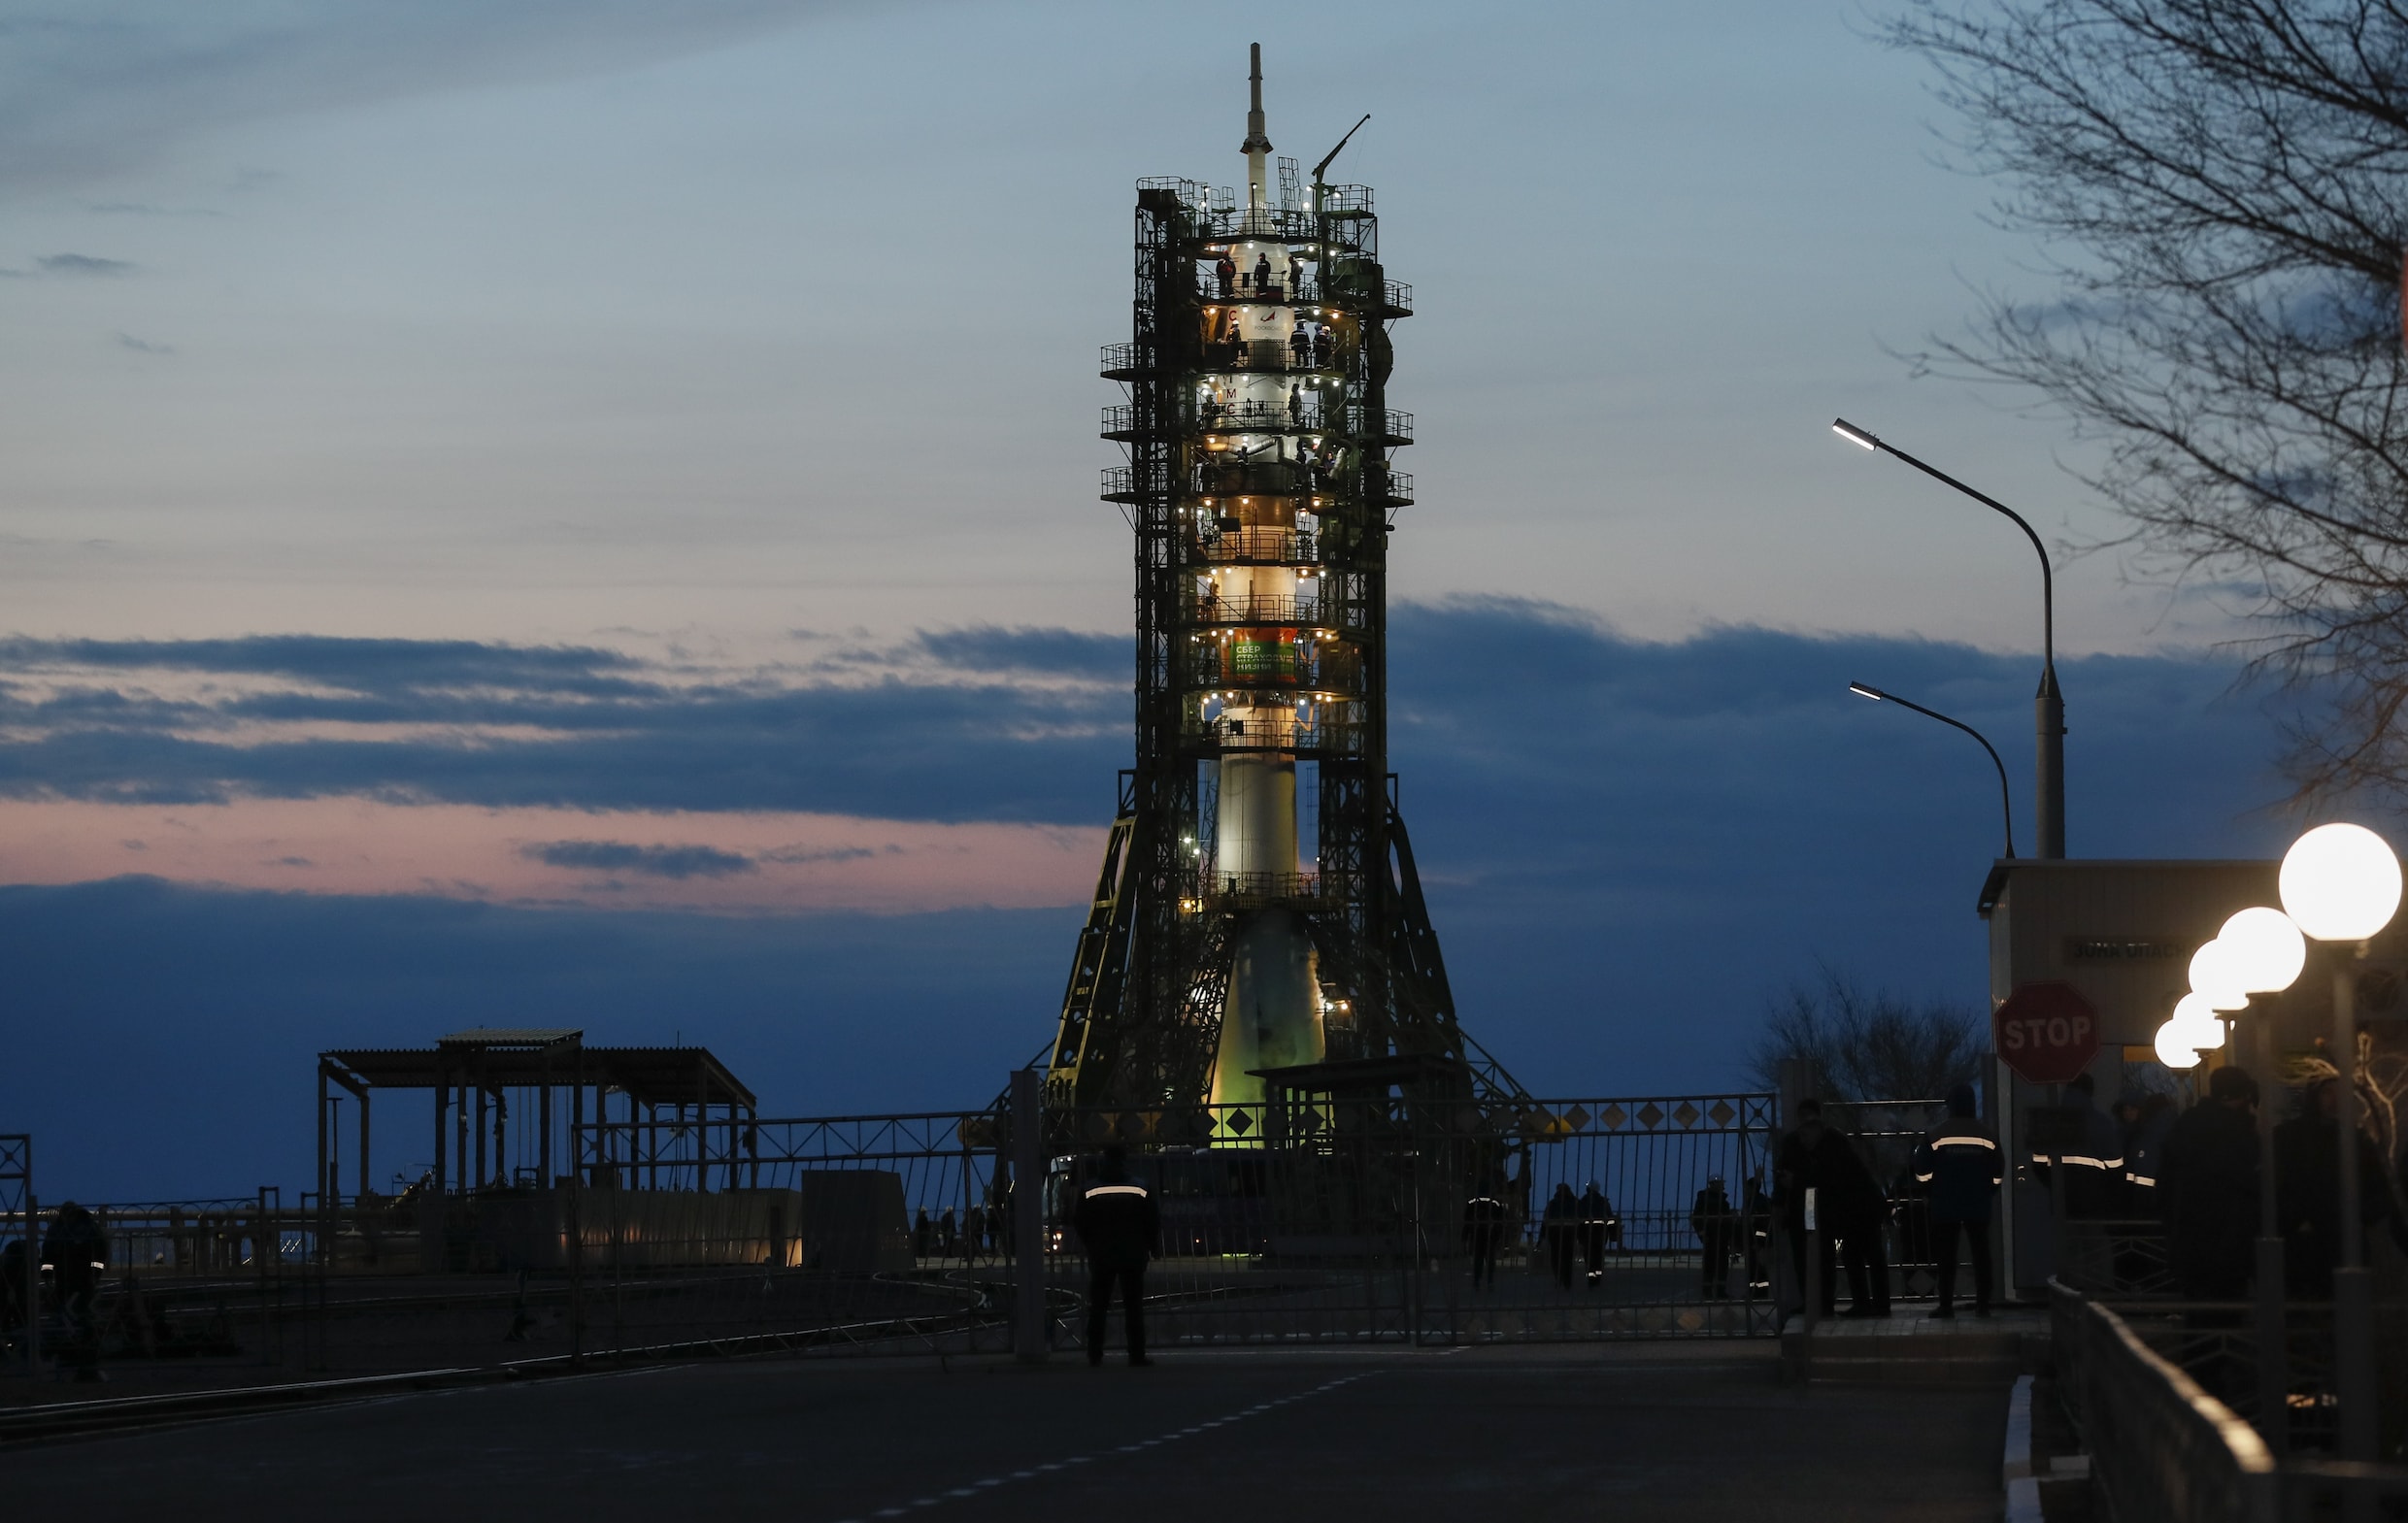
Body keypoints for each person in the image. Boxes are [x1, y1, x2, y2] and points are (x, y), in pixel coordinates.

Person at [2273, 1076, 2391, 1299]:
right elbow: (2277, 1185)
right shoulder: (2288, 1137)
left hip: (2344, 1240)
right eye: (2327, 1092)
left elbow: (2378, 1187)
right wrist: (2295, 1219)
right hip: (2305, 1243)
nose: (2334, 1099)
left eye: (2340, 1092)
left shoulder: (2359, 1138)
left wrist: (2360, 1218)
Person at [2158, 1065, 2260, 1302]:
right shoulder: (2238, 1132)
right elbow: (2249, 1185)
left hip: (2190, 1242)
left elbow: (2165, 1186)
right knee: (2226, 1315)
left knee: (2200, 1317)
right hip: (2232, 1245)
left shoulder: (2186, 1126)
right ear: (2242, 1095)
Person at [1776, 1100, 1888, 1316]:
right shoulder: (1822, 1144)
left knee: (1864, 1256)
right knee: (1857, 1255)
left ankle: (1871, 1305)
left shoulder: (1830, 1144)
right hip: (1852, 1209)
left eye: (1806, 1136)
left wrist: (1796, 1182)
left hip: (1860, 1208)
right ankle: (1866, 1304)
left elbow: (1827, 1178)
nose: (1803, 1141)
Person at [1912, 1083, 2003, 1318]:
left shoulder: (1935, 1134)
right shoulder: (1987, 1135)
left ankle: (1946, 1305)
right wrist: (1987, 1191)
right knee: (1981, 1254)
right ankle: (1983, 1304)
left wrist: (1931, 1192)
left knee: (1946, 1257)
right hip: (1978, 1204)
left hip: (1945, 1204)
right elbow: (1998, 1172)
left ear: (1950, 1105)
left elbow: (1921, 1171)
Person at [1073, 1145, 1159, 1367]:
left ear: (1104, 1160)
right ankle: (1136, 1354)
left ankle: (1094, 1353)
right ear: (1124, 1160)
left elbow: (1080, 1221)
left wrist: (1091, 1243)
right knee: (1133, 1306)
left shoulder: (1090, 1189)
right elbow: (1151, 1220)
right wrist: (1153, 1246)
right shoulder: (1139, 1187)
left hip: (1102, 1255)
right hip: (1132, 1254)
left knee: (1099, 1306)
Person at [43, 1201, 107, 1379]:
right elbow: (100, 1251)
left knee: (67, 1315)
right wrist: (96, 1274)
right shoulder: (88, 1227)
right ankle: (84, 1352)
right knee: (82, 1316)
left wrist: (47, 1276)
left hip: (66, 1280)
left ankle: (71, 1351)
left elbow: (48, 1255)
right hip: (82, 1280)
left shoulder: (57, 1229)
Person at [1690, 1175, 1737, 1299]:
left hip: (1721, 1237)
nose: (1723, 1185)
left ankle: (1718, 1291)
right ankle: (1709, 1292)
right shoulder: (1708, 1200)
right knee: (1712, 1265)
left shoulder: (1721, 1200)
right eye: (1720, 1183)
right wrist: (1703, 1234)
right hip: (1712, 1237)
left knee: (1721, 1266)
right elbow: (1697, 1218)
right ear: (1714, 1184)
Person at [1462, 1178, 1508, 1289]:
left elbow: (1467, 1221)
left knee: (1478, 1258)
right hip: (1490, 1234)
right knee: (1490, 1258)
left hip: (1477, 1233)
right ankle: (1490, 1281)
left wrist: (1464, 1236)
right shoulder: (1495, 1203)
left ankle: (1477, 1280)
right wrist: (1501, 1236)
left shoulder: (1472, 1202)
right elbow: (1501, 1220)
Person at [1540, 1182, 1579, 1290]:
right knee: (1567, 1258)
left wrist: (1542, 1236)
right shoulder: (1574, 1203)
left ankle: (1559, 1277)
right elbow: (1579, 1219)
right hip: (1569, 1232)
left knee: (1556, 1258)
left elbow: (1545, 1220)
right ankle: (1567, 1281)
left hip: (1555, 1232)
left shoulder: (1553, 1203)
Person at [1578, 1182, 1617, 1286]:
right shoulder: (1603, 1202)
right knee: (1599, 1255)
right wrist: (1613, 1233)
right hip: (1601, 1232)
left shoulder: (1583, 1201)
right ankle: (1598, 1276)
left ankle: (1591, 1277)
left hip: (1587, 1233)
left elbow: (1579, 1219)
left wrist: (1579, 1235)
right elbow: (1610, 1218)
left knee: (1589, 1255)